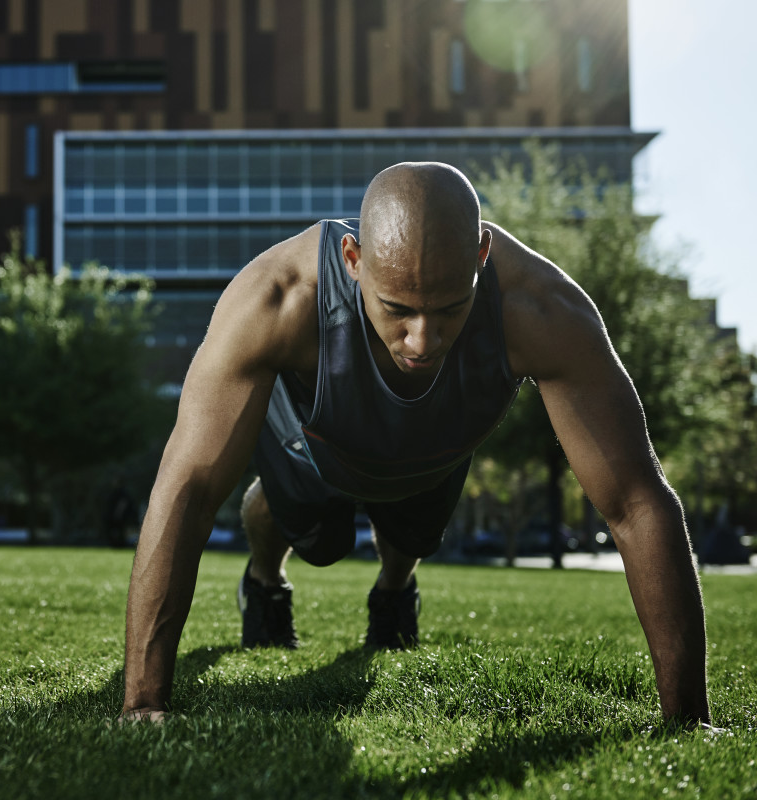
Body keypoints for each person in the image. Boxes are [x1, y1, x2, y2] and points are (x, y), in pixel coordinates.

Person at [119, 162, 711, 728]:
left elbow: (635, 501)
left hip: (434, 451)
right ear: (353, 260)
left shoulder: (540, 308)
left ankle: (394, 592)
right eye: (397, 309)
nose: (422, 339)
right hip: (316, 442)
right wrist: (142, 702)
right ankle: (266, 581)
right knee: (317, 537)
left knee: (414, 532)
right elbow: (189, 488)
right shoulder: (278, 298)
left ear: (482, 255)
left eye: (450, 308)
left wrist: (689, 721)